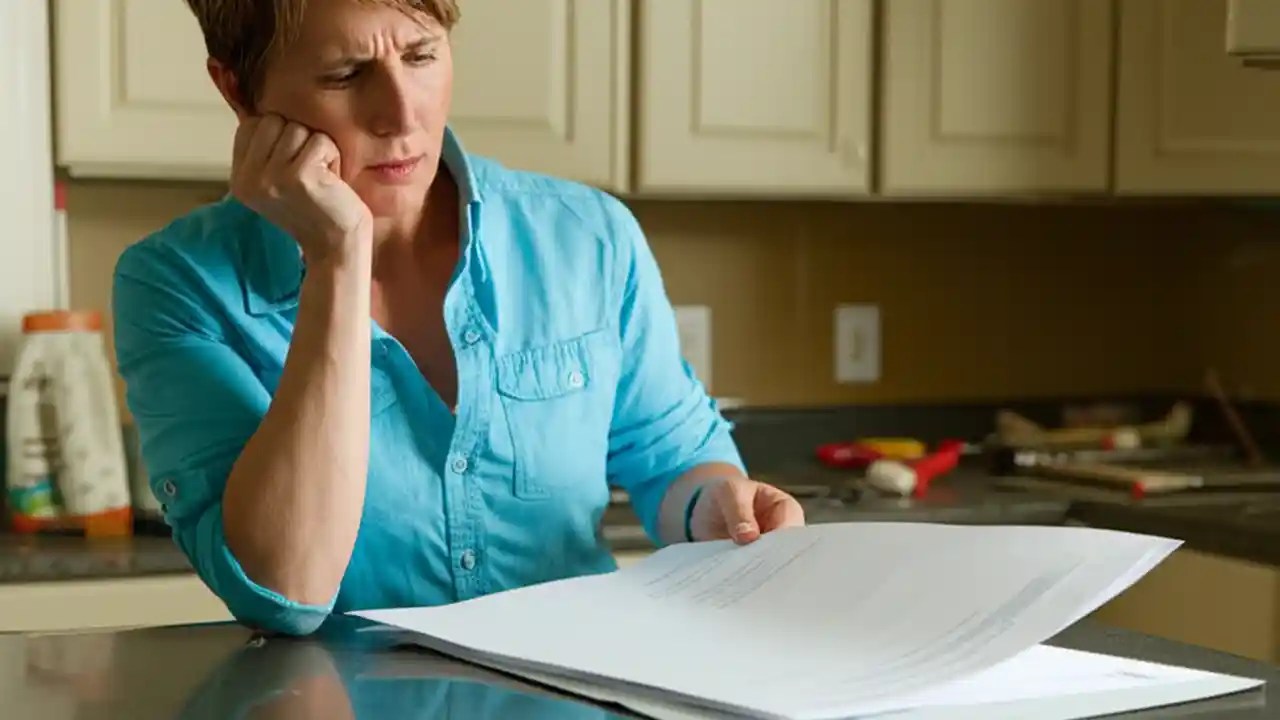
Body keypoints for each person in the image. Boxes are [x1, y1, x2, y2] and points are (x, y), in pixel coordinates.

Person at [113, 0, 805, 637]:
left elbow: (675, 457)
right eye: (346, 73)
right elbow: (282, 591)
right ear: (237, 90)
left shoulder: (588, 236)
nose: (401, 114)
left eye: (420, 55)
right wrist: (337, 258)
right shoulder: (176, 285)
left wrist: (715, 506)